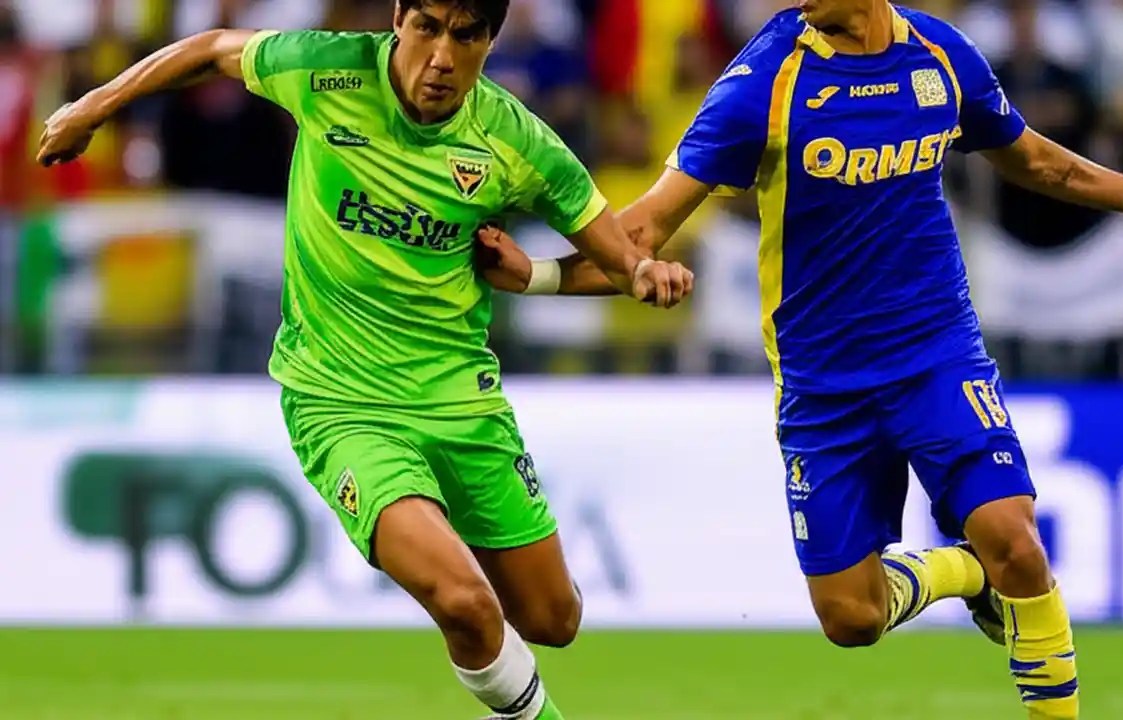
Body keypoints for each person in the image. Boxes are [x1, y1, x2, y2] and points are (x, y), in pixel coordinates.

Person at [476, 1, 1123, 718]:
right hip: (823, 387)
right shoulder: (764, 79)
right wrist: (538, 276)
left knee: (1014, 537)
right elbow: (643, 231)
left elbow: (1038, 162)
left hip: (936, 356)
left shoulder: (940, 56)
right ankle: (964, 571)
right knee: (851, 617)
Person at [37, 2, 695, 718]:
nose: (441, 56)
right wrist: (92, 107)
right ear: (398, 18)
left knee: (552, 618)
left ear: (490, 41)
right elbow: (212, 47)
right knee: (467, 605)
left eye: (465, 36)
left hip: (463, 404)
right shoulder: (327, 71)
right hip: (341, 405)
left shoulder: (517, 141)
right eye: (427, 27)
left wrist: (630, 275)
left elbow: (620, 257)